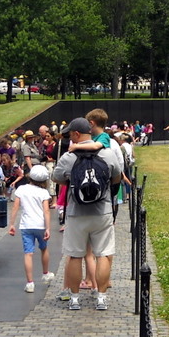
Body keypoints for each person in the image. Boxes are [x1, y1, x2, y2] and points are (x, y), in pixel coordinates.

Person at [52, 118, 123, 311]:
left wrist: (74, 183)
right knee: (103, 254)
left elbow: (56, 178)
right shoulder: (107, 154)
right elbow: (117, 175)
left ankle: (74, 298)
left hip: (76, 212)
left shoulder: (69, 157)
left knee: (75, 255)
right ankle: (101, 297)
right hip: (102, 211)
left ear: (76, 134)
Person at [8, 165, 54, 293]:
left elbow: (15, 207)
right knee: (44, 248)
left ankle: (30, 283)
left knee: (28, 253)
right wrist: (48, 228)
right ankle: (45, 273)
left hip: (26, 225)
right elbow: (46, 211)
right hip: (40, 225)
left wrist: (12, 224)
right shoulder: (44, 192)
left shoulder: (22, 189)